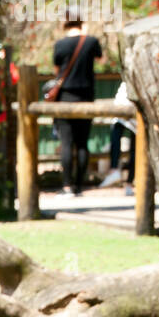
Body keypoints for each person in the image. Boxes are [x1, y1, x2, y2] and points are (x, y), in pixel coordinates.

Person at [52, 15, 102, 195]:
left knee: (66, 143)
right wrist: (87, 34)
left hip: (65, 97)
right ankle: (79, 186)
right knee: (82, 143)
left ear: (65, 24)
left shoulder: (60, 45)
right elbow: (100, 60)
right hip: (86, 97)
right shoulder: (91, 41)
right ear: (82, 23)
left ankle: (67, 186)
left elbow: (57, 71)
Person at [102, 80, 136, 191]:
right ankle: (115, 170)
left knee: (135, 148)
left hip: (134, 103)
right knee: (116, 136)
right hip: (124, 103)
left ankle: (129, 182)